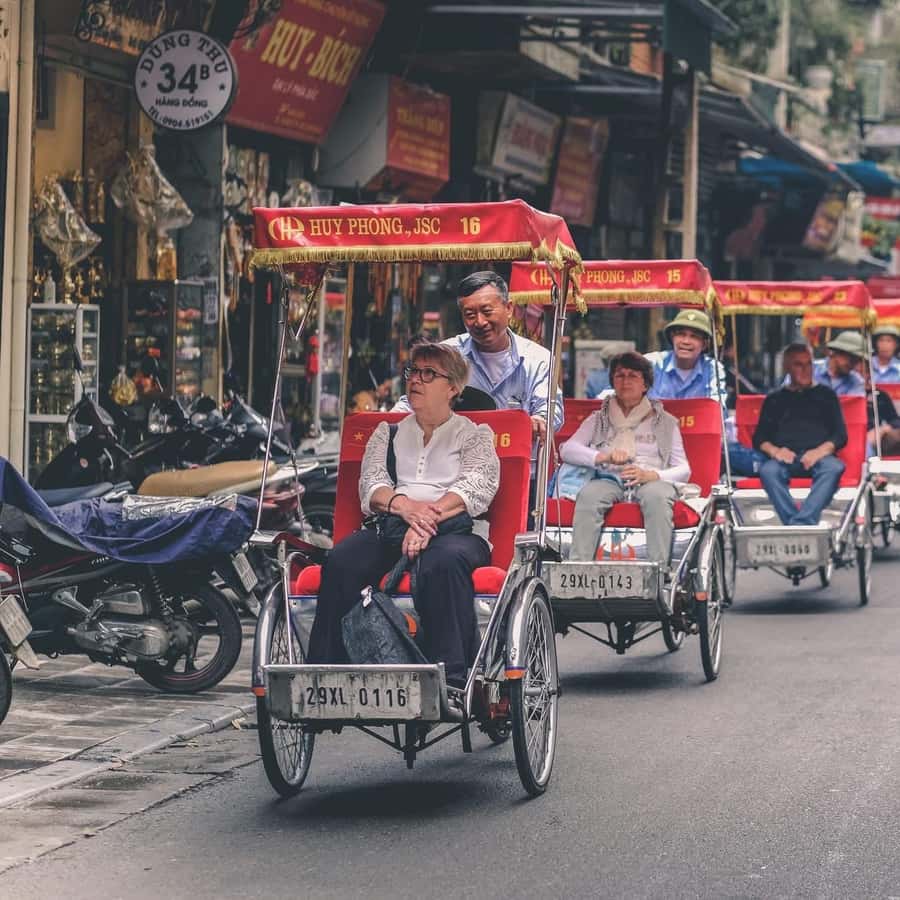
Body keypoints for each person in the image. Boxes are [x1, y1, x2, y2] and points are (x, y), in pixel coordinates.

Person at [307, 343, 499, 688]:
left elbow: (476, 486)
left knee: (443, 564)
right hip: (394, 525)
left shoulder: (474, 434)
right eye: (413, 372)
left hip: (457, 532)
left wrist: (428, 520)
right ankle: (327, 675)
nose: (416, 381)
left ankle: (451, 678)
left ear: (453, 388)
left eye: (429, 374)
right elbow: (372, 486)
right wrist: (408, 510)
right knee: (339, 561)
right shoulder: (388, 432)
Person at [393, 271, 562, 445]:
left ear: (509, 308)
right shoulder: (446, 354)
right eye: (470, 315)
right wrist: (386, 420)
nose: (480, 322)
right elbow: (413, 401)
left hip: (518, 464)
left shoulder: (538, 359)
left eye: (487, 311)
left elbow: (551, 409)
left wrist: (539, 420)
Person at [562, 351, 690, 566]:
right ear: (612, 381)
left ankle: (657, 571)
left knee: (657, 498)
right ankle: (579, 569)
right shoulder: (599, 418)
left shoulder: (665, 422)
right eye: (620, 375)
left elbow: (684, 470)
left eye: (633, 376)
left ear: (645, 385)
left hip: (652, 480)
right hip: (609, 478)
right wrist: (603, 456)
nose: (625, 381)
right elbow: (568, 449)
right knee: (589, 495)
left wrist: (651, 475)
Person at [754, 343, 846, 526]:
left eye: (809, 364)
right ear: (787, 368)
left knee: (834, 467)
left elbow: (840, 435)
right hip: (785, 457)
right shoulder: (775, 399)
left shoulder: (826, 395)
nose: (806, 370)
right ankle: (796, 524)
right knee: (768, 470)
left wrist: (818, 452)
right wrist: (776, 452)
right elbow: (759, 438)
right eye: (798, 365)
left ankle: (801, 523)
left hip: (819, 457)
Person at [644, 309, 725, 403]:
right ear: (672, 337)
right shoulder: (652, 363)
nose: (686, 341)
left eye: (694, 336)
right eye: (681, 334)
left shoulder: (712, 368)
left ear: (704, 344)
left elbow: (718, 409)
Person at [812, 331, 866, 396]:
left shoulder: (856, 382)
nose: (852, 364)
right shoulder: (812, 369)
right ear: (837, 352)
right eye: (850, 358)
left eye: (856, 360)